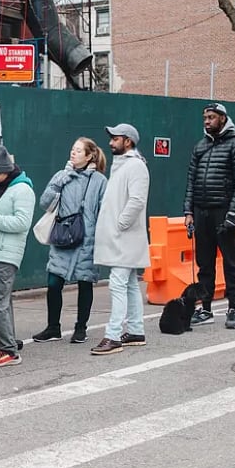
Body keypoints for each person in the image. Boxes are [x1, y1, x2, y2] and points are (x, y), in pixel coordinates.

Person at [183, 103, 235, 330]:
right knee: (204, 264)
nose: (207, 121)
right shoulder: (200, 146)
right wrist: (188, 211)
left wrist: (233, 213)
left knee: (231, 263)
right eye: (205, 117)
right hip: (201, 212)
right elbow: (191, 180)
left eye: (211, 117)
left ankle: (233, 308)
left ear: (222, 118)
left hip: (224, 212)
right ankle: (206, 309)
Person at [33, 137, 107, 345]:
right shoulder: (61, 175)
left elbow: (104, 211)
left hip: (87, 239)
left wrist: (100, 238)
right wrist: (59, 183)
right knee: (53, 282)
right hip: (63, 235)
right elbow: (44, 203)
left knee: (85, 282)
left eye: (78, 150)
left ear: (89, 156)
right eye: (73, 149)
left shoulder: (99, 181)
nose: (73, 153)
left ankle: (81, 328)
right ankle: (53, 327)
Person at [91, 124, 150, 356]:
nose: (110, 142)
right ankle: (135, 330)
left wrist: (120, 224)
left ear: (128, 141)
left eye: (116, 138)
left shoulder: (135, 166)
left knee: (117, 284)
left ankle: (113, 335)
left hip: (125, 237)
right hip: (123, 237)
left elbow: (136, 200)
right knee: (130, 284)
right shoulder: (125, 165)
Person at [0, 144, 35, 367]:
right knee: (2, 302)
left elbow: (22, 223)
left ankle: (9, 350)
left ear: (7, 170)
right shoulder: (0, 188)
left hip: (6, 254)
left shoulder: (22, 190)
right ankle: (7, 342)